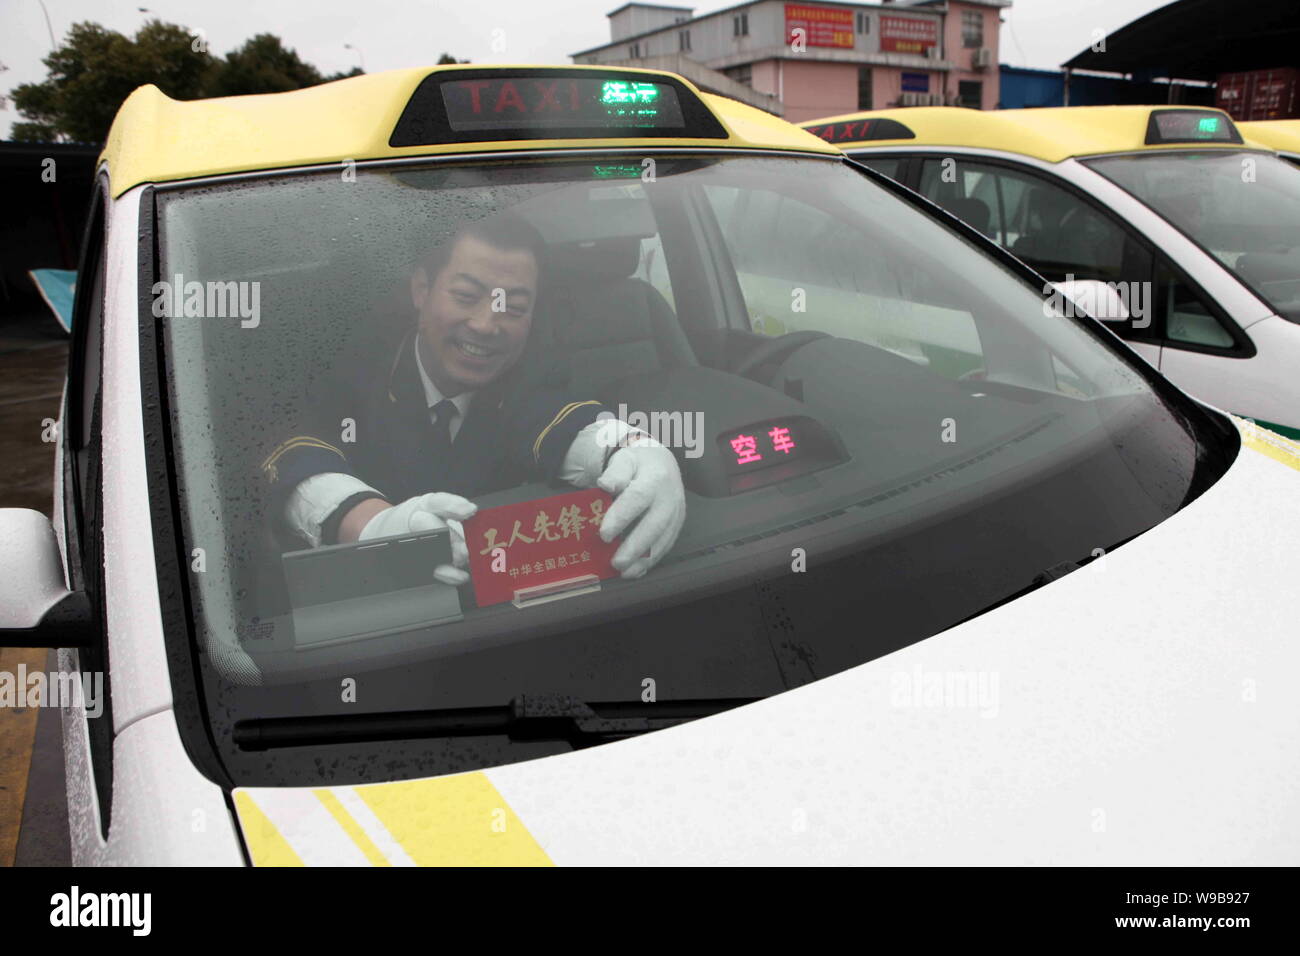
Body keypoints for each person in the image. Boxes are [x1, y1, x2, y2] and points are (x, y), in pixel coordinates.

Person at [261, 213, 685, 584]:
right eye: (465, 297)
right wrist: (370, 524)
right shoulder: (354, 360)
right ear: (422, 291)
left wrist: (636, 449)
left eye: (514, 307)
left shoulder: (533, 367)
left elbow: (556, 420)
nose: (486, 325)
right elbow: (296, 448)